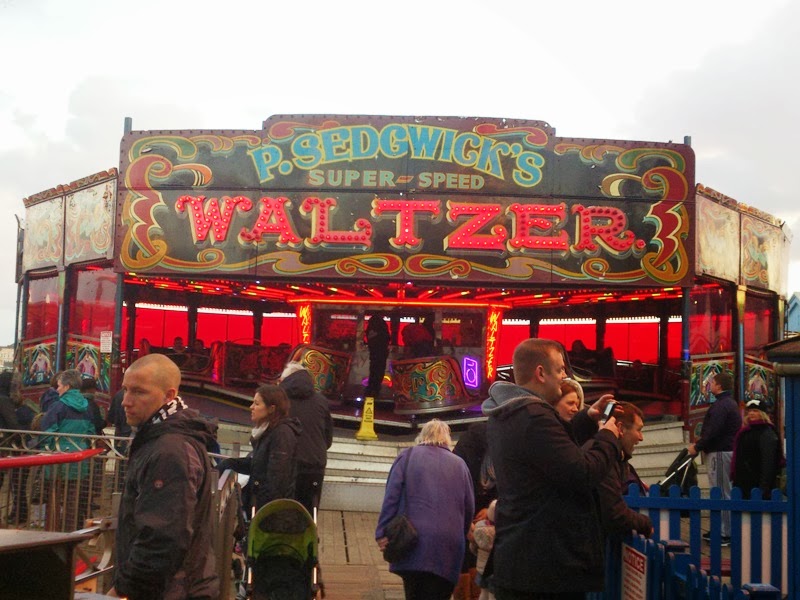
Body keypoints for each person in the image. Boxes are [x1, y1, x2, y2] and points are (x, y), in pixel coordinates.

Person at [482, 338, 621, 599]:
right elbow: (582, 473)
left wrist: (586, 420)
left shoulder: (509, 413)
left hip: (521, 560)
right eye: (559, 369)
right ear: (541, 373)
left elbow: (549, 457)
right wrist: (608, 437)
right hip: (545, 568)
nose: (565, 376)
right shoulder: (535, 418)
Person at [108, 354, 220, 600]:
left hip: (172, 590)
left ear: (169, 395)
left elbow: (162, 537)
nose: (126, 401)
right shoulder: (162, 439)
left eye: (138, 392)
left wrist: (124, 588)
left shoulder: (169, 451)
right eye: (125, 390)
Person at [375, 419, 474, 600]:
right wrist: (463, 532)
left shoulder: (407, 457)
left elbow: (391, 497)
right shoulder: (460, 465)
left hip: (413, 541)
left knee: (414, 592)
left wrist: (382, 532)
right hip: (449, 545)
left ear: (422, 436)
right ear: (447, 439)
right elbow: (469, 506)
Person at [218, 384, 301, 514]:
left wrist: (258, 512)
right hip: (263, 508)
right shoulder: (268, 432)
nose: (251, 407)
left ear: (271, 409)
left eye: (256, 404)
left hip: (272, 515)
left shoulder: (281, 434)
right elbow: (260, 465)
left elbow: (277, 480)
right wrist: (230, 463)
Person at [687, 370, 741, 545]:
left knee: (720, 491)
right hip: (724, 450)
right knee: (722, 489)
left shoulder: (721, 406)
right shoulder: (728, 404)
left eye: (712, 382)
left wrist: (698, 445)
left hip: (719, 452)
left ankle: (726, 532)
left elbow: (714, 430)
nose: (710, 384)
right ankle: (722, 528)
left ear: (718, 385)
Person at [279, 361, 333, 515]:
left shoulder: (279, 400)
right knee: (309, 512)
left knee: (284, 511)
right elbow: (327, 437)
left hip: (286, 464)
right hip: (315, 465)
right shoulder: (321, 400)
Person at [731, 398, 783, 499]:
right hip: (744, 484)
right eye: (749, 411)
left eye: (755, 411)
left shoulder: (767, 433)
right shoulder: (745, 431)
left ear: (762, 413)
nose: (751, 414)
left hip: (757, 484)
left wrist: (763, 488)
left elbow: (768, 462)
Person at [471, 499, 497, 600]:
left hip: (481, 569)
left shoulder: (478, 527)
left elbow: (473, 547)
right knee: (492, 595)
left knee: (483, 592)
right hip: (493, 570)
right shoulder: (498, 532)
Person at [365, 314, 391, 398]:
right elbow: (387, 338)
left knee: (373, 370)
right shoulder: (382, 328)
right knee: (379, 371)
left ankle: (371, 388)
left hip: (374, 353)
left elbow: (369, 340)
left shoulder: (371, 328)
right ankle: (375, 389)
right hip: (381, 353)